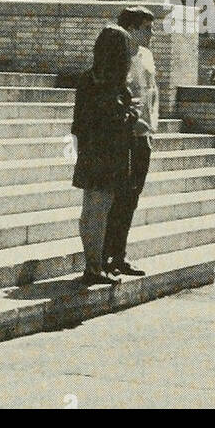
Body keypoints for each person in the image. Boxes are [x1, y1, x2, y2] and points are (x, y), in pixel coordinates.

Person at [71, 24, 139, 287]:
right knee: (99, 211)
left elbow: (79, 122)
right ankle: (94, 266)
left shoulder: (88, 79)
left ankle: (92, 263)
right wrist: (132, 114)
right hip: (109, 154)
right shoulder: (112, 84)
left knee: (90, 210)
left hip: (90, 151)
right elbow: (115, 119)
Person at [102, 5, 160, 278]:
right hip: (123, 135)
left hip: (143, 135)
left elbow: (152, 93)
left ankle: (120, 256)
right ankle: (104, 257)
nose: (152, 34)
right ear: (132, 28)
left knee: (132, 198)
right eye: (147, 29)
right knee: (117, 197)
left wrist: (152, 128)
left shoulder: (146, 56)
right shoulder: (118, 56)